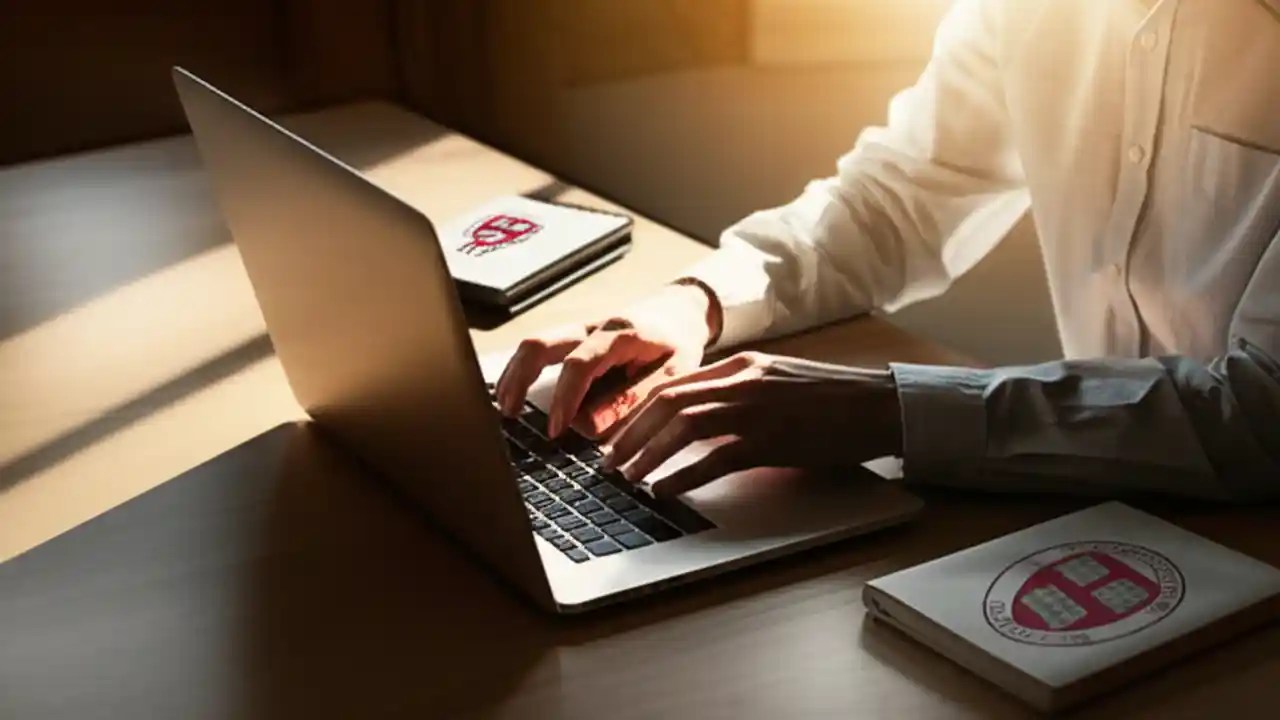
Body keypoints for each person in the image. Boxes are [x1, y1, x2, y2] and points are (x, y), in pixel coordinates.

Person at [496, 0, 1280, 501]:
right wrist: (696, 304)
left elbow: (1263, 407)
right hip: (1089, 503)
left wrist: (890, 411)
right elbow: (899, 198)